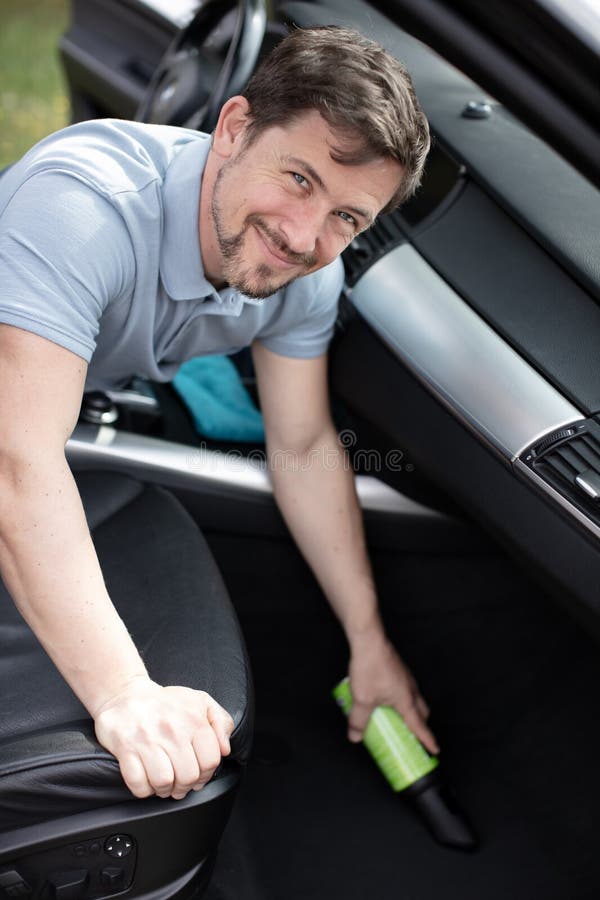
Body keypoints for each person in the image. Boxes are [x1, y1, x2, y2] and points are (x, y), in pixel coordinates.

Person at [0, 25, 437, 802]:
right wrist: (125, 696)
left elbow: (300, 445)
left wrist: (369, 642)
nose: (307, 237)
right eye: (299, 178)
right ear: (234, 128)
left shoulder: (303, 276)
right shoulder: (85, 208)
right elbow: (17, 462)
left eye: (348, 218)